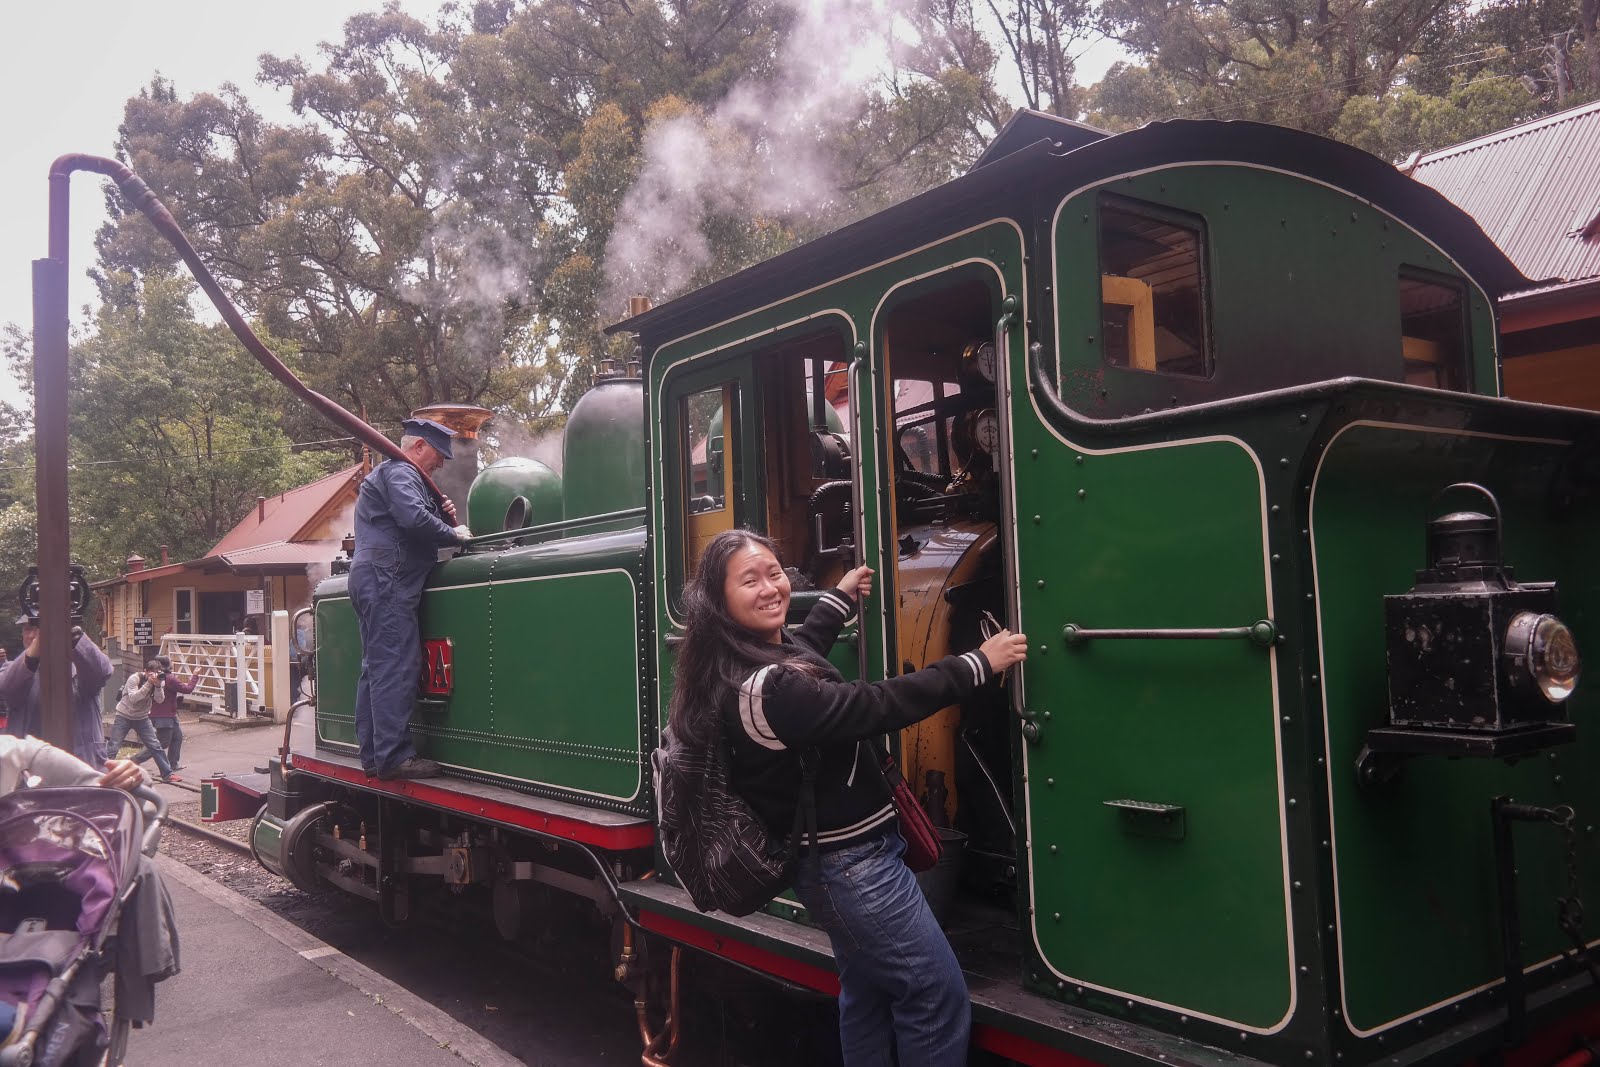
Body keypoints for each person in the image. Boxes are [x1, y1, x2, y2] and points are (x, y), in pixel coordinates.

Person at [668, 530, 1028, 1067]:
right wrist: (976, 663)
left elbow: (804, 648)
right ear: (719, 603)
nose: (770, 588)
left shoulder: (745, 661)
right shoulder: (768, 688)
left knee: (867, 992)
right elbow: (873, 705)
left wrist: (837, 599)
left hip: (840, 863)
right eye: (750, 580)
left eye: (775, 572)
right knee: (933, 993)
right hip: (852, 868)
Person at [351, 417, 471, 779]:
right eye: (437, 455)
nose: (441, 463)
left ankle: (374, 754)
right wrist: (455, 534)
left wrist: (442, 514)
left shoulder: (393, 475)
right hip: (389, 579)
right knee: (396, 664)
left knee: (376, 668)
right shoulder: (402, 472)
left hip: (376, 576)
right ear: (418, 447)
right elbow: (413, 519)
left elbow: (412, 517)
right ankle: (393, 756)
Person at [0, 615, 114, 767]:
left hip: (82, 769)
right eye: (28, 629)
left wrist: (73, 635)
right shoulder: (13, 670)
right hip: (30, 773)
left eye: (40, 630)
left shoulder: (81, 670)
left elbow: (102, 671)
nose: (34, 635)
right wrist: (36, 649)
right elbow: (8, 687)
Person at [107, 660, 181, 783]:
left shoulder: (159, 680)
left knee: (155, 746)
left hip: (142, 717)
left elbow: (160, 700)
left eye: (157, 673)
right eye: (151, 673)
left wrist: (157, 686)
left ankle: (167, 774)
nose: (154, 676)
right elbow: (134, 698)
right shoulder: (134, 679)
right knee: (114, 745)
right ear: (145, 671)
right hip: (124, 715)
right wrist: (148, 683)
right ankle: (104, 772)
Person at [141, 655, 196, 772]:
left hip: (163, 714)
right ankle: (135, 760)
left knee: (177, 737)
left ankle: (173, 763)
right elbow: (187, 689)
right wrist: (195, 676)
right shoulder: (170, 678)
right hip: (164, 716)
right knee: (162, 743)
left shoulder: (155, 678)